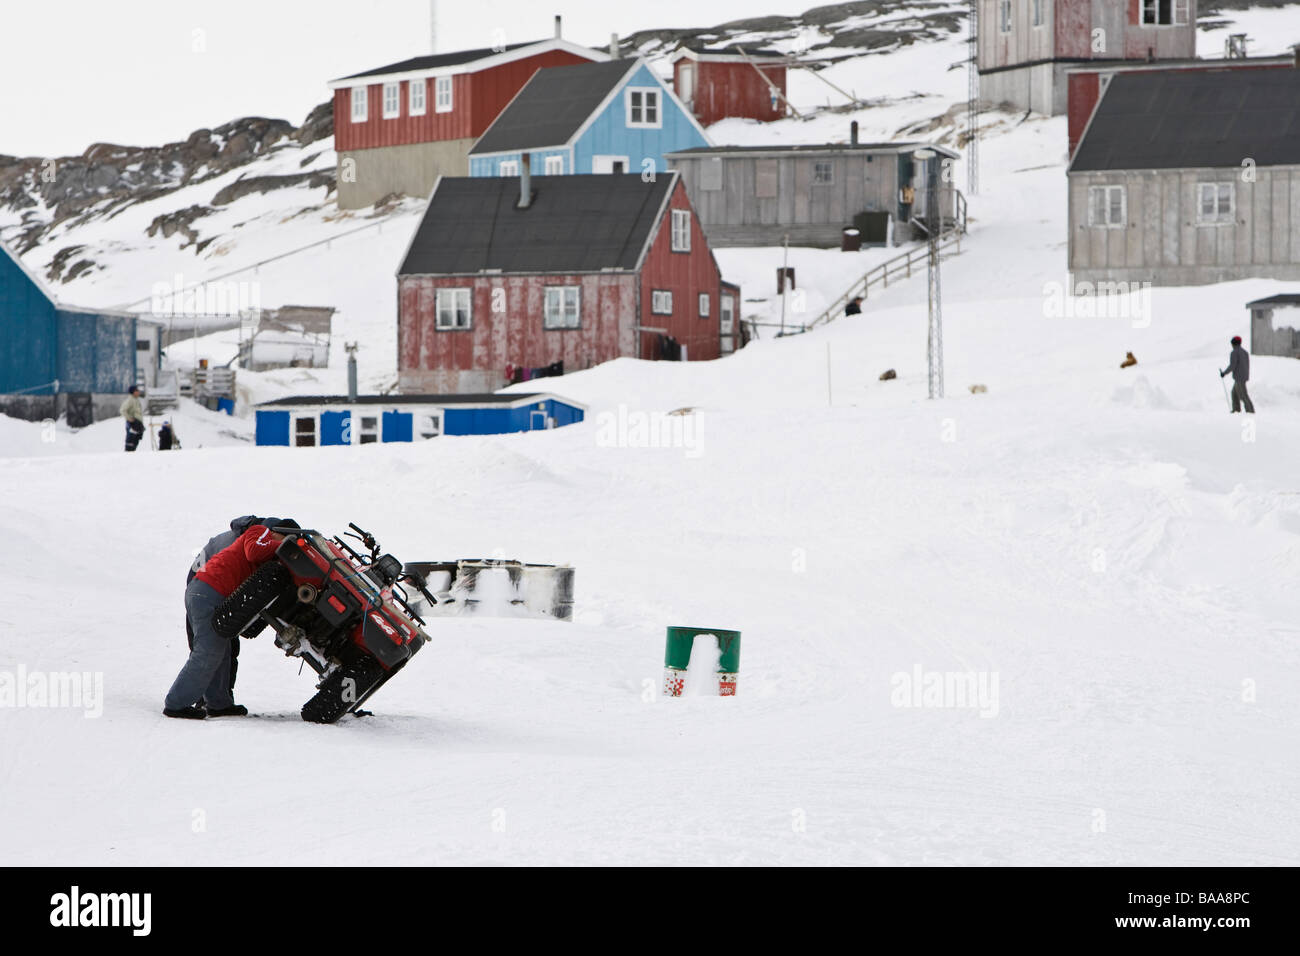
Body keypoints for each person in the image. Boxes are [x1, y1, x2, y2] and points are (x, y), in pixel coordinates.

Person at [164, 522, 287, 719]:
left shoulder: (264, 545)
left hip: (207, 592)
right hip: (207, 592)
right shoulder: (259, 531)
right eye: (285, 538)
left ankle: (219, 704)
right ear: (277, 532)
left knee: (222, 649)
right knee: (208, 651)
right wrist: (287, 544)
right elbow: (253, 552)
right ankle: (176, 704)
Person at [1220, 335, 1255, 414]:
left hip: (1239, 378)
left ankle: (1250, 411)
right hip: (1243, 376)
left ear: (1234, 344)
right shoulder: (1245, 352)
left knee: (1243, 395)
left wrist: (1224, 373)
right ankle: (1236, 410)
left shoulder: (1234, 353)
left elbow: (1232, 365)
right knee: (1234, 393)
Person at [120, 385, 145, 451]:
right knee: (131, 442)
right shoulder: (130, 400)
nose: (138, 392)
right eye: (137, 390)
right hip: (132, 424)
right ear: (133, 392)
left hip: (138, 424)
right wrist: (129, 418)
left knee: (136, 441)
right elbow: (123, 410)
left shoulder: (136, 400)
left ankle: (132, 454)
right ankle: (128, 454)